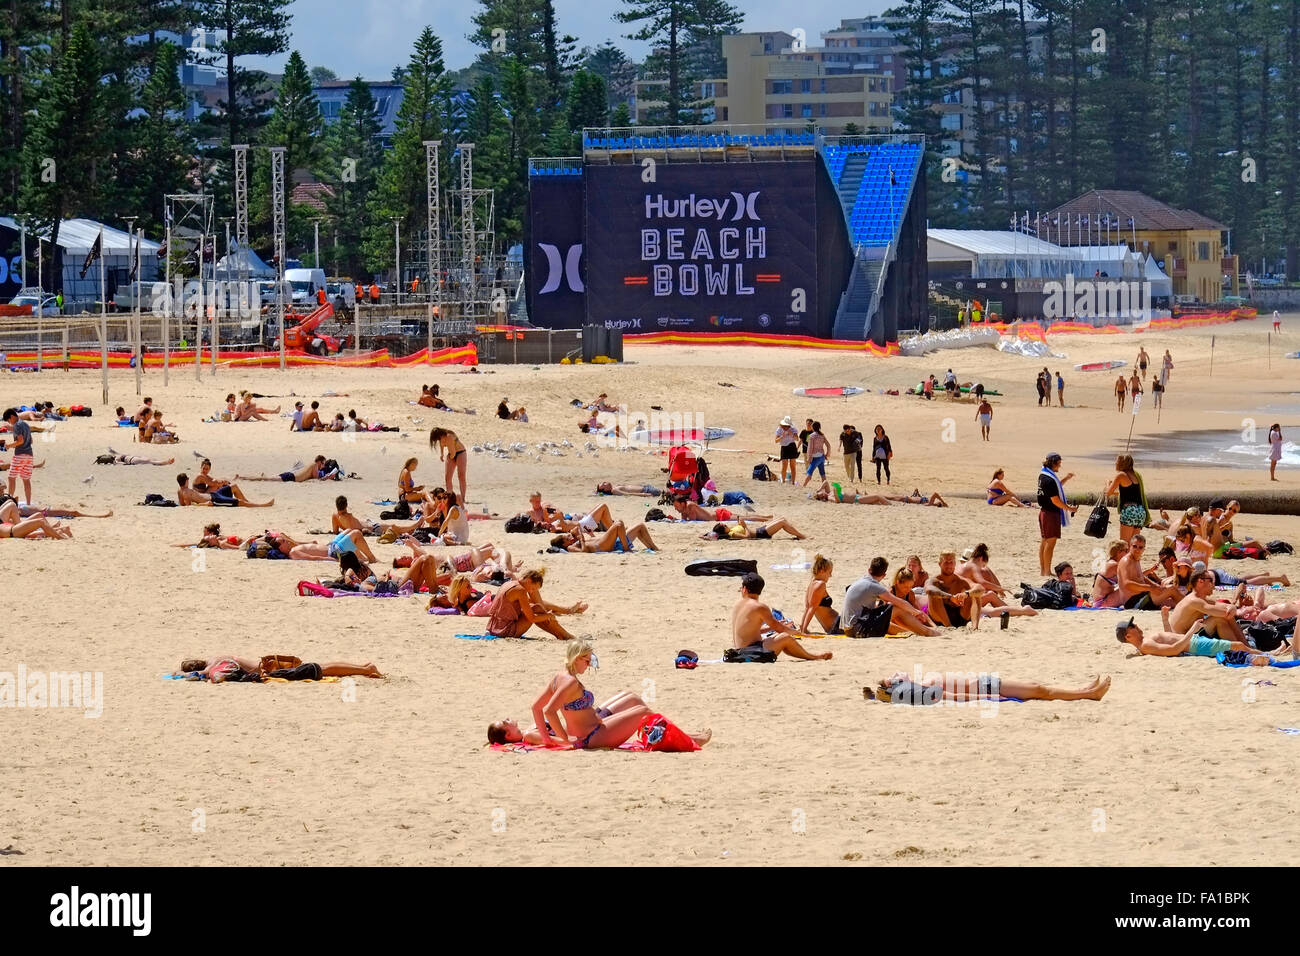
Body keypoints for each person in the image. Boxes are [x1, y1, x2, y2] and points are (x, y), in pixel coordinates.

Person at [731, 573, 831, 661]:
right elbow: (780, 629)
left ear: (744, 589)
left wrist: (771, 628)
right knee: (785, 637)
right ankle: (813, 657)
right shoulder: (759, 606)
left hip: (739, 650)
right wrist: (798, 633)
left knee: (779, 637)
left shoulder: (737, 604)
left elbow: (749, 631)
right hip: (750, 652)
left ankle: (810, 656)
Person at [873, 672, 1111, 704]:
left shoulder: (922, 683)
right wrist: (990, 696)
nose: (895, 673)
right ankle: (1090, 694)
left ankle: (1083, 690)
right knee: (1039, 690)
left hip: (985, 681)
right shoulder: (925, 690)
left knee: (1036, 687)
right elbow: (956, 696)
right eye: (892, 678)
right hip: (986, 686)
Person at [844, 557, 939, 637]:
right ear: (884, 575)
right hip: (858, 629)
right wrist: (917, 612)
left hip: (848, 628)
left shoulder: (861, 581)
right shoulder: (874, 586)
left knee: (888, 615)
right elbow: (900, 603)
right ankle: (928, 632)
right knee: (896, 607)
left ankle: (914, 632)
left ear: (869, 570)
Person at [486, 568, 585, 640]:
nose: (532, 592)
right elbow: (532, 619)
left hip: (493, 627)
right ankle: (564, 635)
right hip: (504, 631)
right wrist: (549, 615)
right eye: (533, 588)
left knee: (537, 608)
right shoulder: (520, 590)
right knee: (538, 610)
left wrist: (546, 615)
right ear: (528, 581)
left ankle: (562, 634)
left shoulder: (510, 583)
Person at [1116, 614, 1251, 658]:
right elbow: (1173, 650)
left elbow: (1170, 638)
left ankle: (1263, 654)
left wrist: (1165, 620)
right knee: (1238, 646)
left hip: (1195, 642)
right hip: (1195, 645)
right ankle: (1265, 655)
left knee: (1236, 646)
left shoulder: (1145, 642)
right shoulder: (1145, 645)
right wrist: (1192, 630)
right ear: (1128, 637)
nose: (1136, 626)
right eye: (1132, 626)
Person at [1167, 572, 1246, 642]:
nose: (1214, 585)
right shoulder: (1194, 600)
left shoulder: (1201, 598)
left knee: (1226, 616)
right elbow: (1225, 612)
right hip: (1181, 639)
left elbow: (1223, 606)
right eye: (1211, 580)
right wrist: (1232, 608)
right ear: (1201, 581)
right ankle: (1239, 648)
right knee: (1220, 619)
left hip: (1189, 633)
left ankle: (1242, 647)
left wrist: (1231, 606)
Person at [175, 656, 383, 682]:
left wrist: (176, 675)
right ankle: (363, 667)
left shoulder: (214, 664)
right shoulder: (219, 657)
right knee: (322, 667)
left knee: (321, 669)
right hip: (274, 664)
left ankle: (365, 669)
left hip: (272, 671)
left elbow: (200, 675)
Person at [1114, 534, 1183, 609]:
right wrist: (1150, 588)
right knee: (1172, 589)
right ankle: (1192, 607)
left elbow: (1141, 577)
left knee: (1173, 602)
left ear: (1144, 549)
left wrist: (1155, 586)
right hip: (1133, 602)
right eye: (1134, 546)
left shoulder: (1135, 560)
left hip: (1141, 597)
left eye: (1140, 547)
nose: (1137, 549)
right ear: (1130, 546)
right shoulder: (1126, 561)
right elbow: (1126, 584)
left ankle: (1191, 608)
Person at [1037, 452, 1076, 576]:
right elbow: (1055, 500)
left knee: (1044, 541)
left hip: (1044, 512)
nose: (1059, 466)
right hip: (1050, 513)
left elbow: (1056, 487)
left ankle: (1043, 570)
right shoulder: (1048, 479)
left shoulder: (1044, 475)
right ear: (1053, 463)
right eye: (1058, 464)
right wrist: (1069, 508)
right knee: (1050, 543)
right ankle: (1046, 571)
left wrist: (1066, 479)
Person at [926, 550, 983, 629]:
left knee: (975, 593)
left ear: (955, 564)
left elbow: (980, 588)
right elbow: (929, 589)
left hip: (960, 617)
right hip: (939, 619)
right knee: (934, 594)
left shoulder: (961, 580)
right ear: (940, 564)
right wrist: (950, 597)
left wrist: (965, 594)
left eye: (951, 562)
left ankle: (975, 627)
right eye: (946, 562)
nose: (949, 565)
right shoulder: (935, 580)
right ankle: (948, 626)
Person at [1105, 454, 1149, 542]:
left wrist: (1108, 483)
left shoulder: (1121, 475)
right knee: (1132, 544)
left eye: (1117, 461)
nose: (1115, 463)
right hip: (1140, 511)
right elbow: (1127, 494)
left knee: (1124, 543)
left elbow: (1107, 493)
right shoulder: (1136, 475)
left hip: (1129, 511)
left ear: (1121, 463)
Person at [3, 408, 42, 505]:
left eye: (9, 420)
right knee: (26, 480)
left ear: (12, 417)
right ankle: (28, 503)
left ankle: (9, 501)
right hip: (29, 455)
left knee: (11, 478)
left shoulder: (17, 425)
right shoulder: (25, 424)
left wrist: (9, 446)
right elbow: (31, 441)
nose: (9, 422)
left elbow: (20, 441)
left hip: (20, 455)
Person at [551, 519, 660, 553]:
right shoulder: (570, 548)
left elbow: (578, 529)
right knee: (618, 524)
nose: (570, 537)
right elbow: (583, 552)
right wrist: (581, 540)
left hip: (611, 541)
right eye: (567, 538)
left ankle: (654, 548)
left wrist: (588, 536)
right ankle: (626, 549)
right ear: (564, 544)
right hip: (602, 546)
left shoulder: (574, 542)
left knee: (640, 526)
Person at [176, 473, 273, 507]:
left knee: (234, 486)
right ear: (186, 480)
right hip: (214, 501)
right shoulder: (186, 492)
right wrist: (204, 504)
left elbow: (182, 504)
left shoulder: (180, 491)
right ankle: (262, 505)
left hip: (214, 494)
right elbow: (188, 506)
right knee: (238, 502)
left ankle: (249, 503)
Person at [801, 554, 842, 634]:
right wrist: (804, 630)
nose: (830, 575)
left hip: (833, 625)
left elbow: (807, 608)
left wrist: (803, 626)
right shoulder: (821, 584)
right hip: (836, 625)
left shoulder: (811, 584)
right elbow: (812, 608)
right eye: (829, 572)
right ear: (822, 570)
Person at [429, 427, 468, 504]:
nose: (437, 440)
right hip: (451, 454)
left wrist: (449, 458)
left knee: (461, 476)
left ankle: (463, 498)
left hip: (460, 453)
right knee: (448, 477)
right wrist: (442, 454)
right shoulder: (441, 438)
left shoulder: (449, 436)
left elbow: (453, 453)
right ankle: (450, 497)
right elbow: (442, 445)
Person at [238, 455, 338, 482]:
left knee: (267, 478)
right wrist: (328, 477)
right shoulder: (314, 465)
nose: (323, 466)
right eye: (323, 463)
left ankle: (244, 477)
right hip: (290, 477)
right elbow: (318, 478)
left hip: (290, 475)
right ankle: (243, 477)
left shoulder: (312, 465)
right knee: (265, 479)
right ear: (319, 462)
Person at [703, 516, 806, 541]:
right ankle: (801, 536)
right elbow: (747, 537)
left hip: (761, 529)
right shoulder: (731, 534)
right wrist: (745, 526)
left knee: (782, 519)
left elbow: (707, 534)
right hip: (761, 534)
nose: (726, 525)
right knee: (782, 522)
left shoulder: (730, 530)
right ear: (723, 530)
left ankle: (797, 534)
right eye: (724, 526)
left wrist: (740, 522)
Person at [809, 479, 893, 505]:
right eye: (822, 493)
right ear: (823, 497)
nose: (823, 492)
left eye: (822, 491)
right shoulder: (830, 497)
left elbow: (826, 482)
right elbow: (837, 501)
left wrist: (819, 489)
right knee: (877, 497)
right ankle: (891, 505)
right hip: (857, 499)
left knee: (877, 500)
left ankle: (890, 502)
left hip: (857, 496)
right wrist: (835, 493)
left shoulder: (829, 492)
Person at [802, 421, 829, 486]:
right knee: (822, 473)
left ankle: (803, 486)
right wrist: (827, 454)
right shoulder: (822, 435)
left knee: (809, 472)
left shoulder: (811, 436)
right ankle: (825, 487)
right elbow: (828, 445)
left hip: (815, 457)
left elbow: (810, 448)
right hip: (822, 456)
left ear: (812, 427)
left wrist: (809, 458)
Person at [774, 417, 800, 484]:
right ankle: (783, 481)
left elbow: (797, 439)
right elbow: (776, 440)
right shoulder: (779, 429)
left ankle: (793, 482)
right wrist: (781, 436)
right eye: (784, 426)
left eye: (787, 426)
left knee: (793, 465)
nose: (786, 427)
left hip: (792, 446)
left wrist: (792, 434)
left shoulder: (793, 429)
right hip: (784, 447)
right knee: (784, 465)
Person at [595, 481, 662, 497]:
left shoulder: (614, 488)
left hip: (646, 487)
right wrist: (643, 494)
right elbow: (628, 494)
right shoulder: (614, 490)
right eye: (604, 484)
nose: (605, 482)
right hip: (646, 490)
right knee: (666, 493)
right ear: (605, 489)